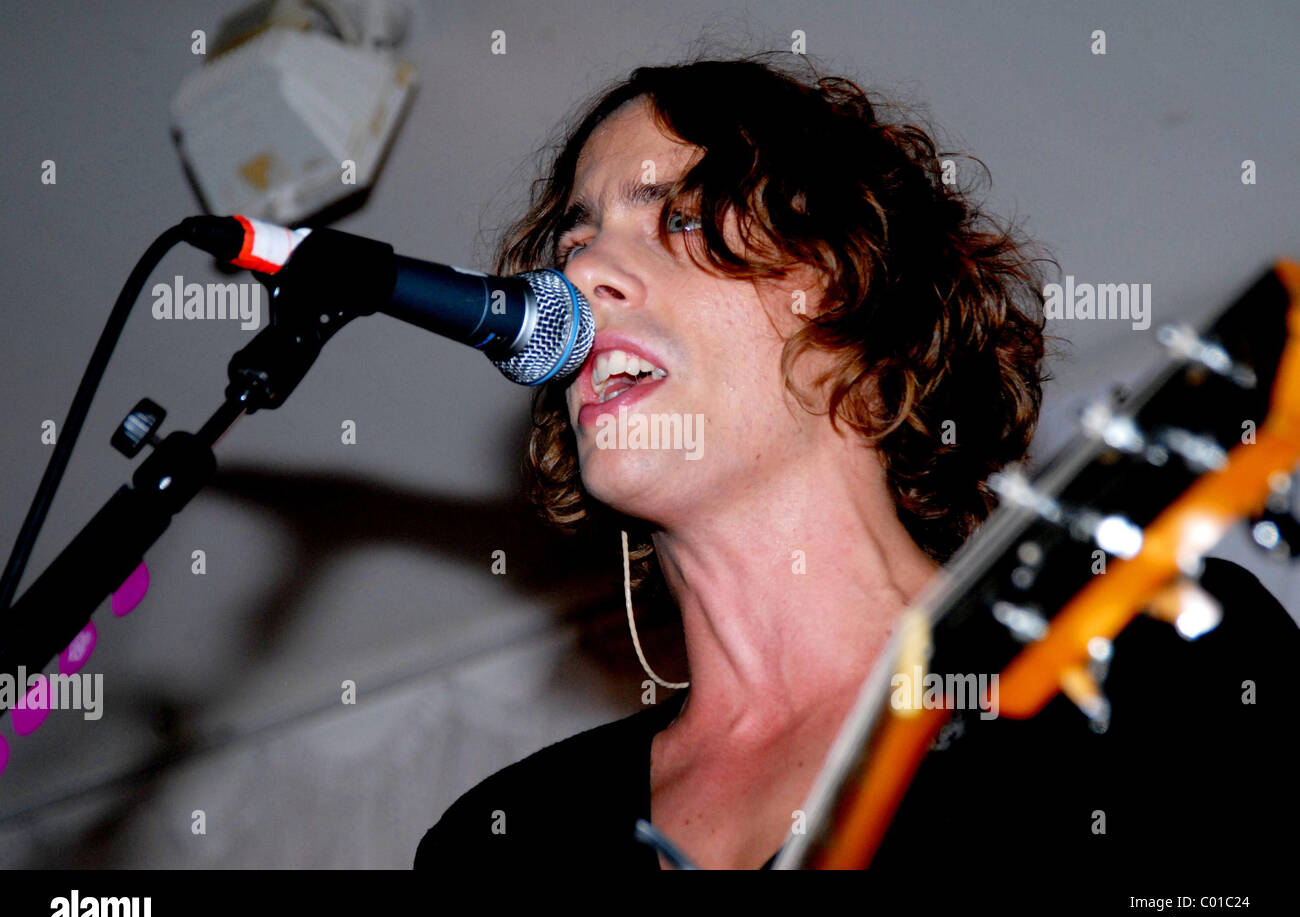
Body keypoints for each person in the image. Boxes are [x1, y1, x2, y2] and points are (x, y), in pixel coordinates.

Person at [415, 55, 1294, 871]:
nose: (584, 273)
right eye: (572, 248)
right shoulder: (508, 842)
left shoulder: (1160, 672)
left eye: (678, 217)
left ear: (856, 294)